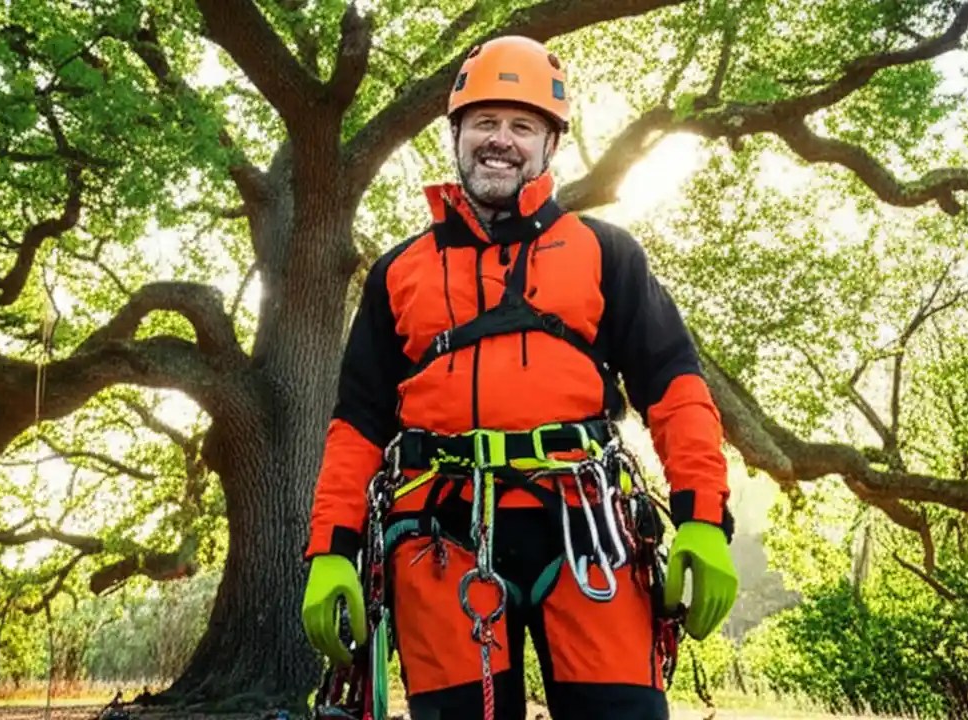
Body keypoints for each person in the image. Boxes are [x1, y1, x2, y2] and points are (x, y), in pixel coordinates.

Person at [300, 35, 739, 720]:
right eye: (484, 122)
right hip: (439, 540)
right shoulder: (397, 274)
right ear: (456, 134)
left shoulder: (605, 253)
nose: (500, 140)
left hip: (587, 529)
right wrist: (332, 549)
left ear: (549, 145)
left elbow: (676, 390)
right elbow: (356, 425)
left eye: (521, 125)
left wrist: (703, 520)